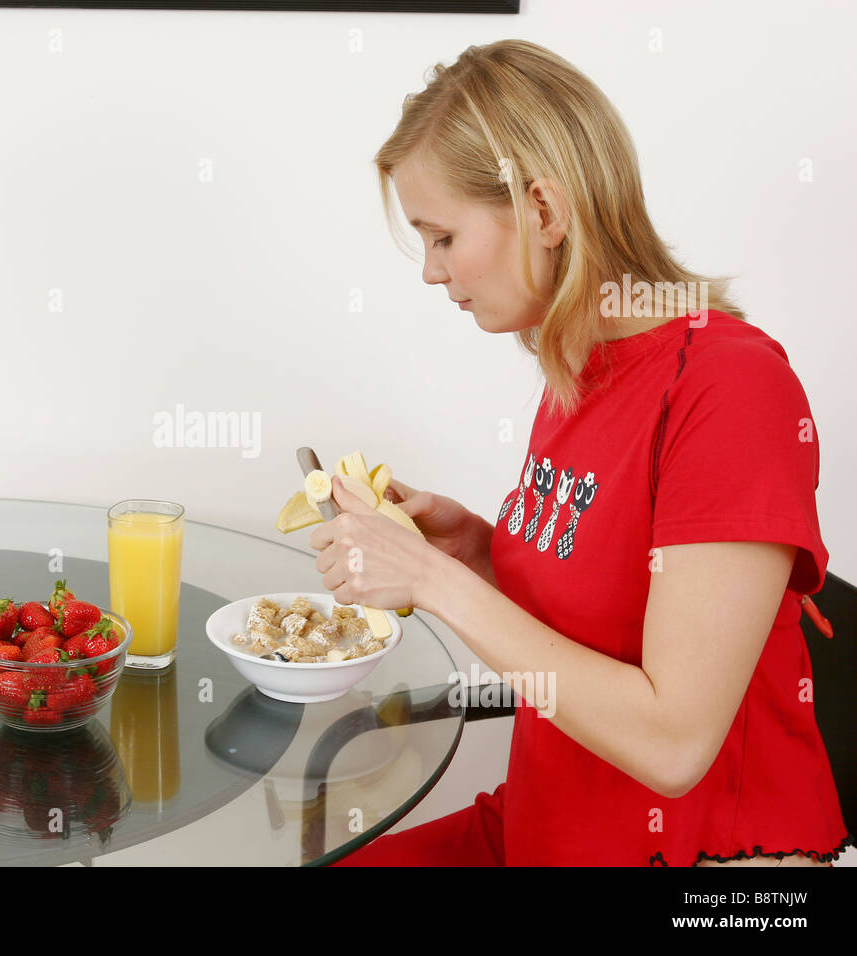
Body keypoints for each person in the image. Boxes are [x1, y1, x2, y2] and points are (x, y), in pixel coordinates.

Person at [320, 39, 849, 866]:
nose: (430, 271)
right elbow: (601, 619)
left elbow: (674, 744)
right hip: (544, 827)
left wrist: (438, 583)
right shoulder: (581, 366)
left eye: (443, 236)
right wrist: (479, 553)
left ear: (544, 211)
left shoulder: (730, 390)